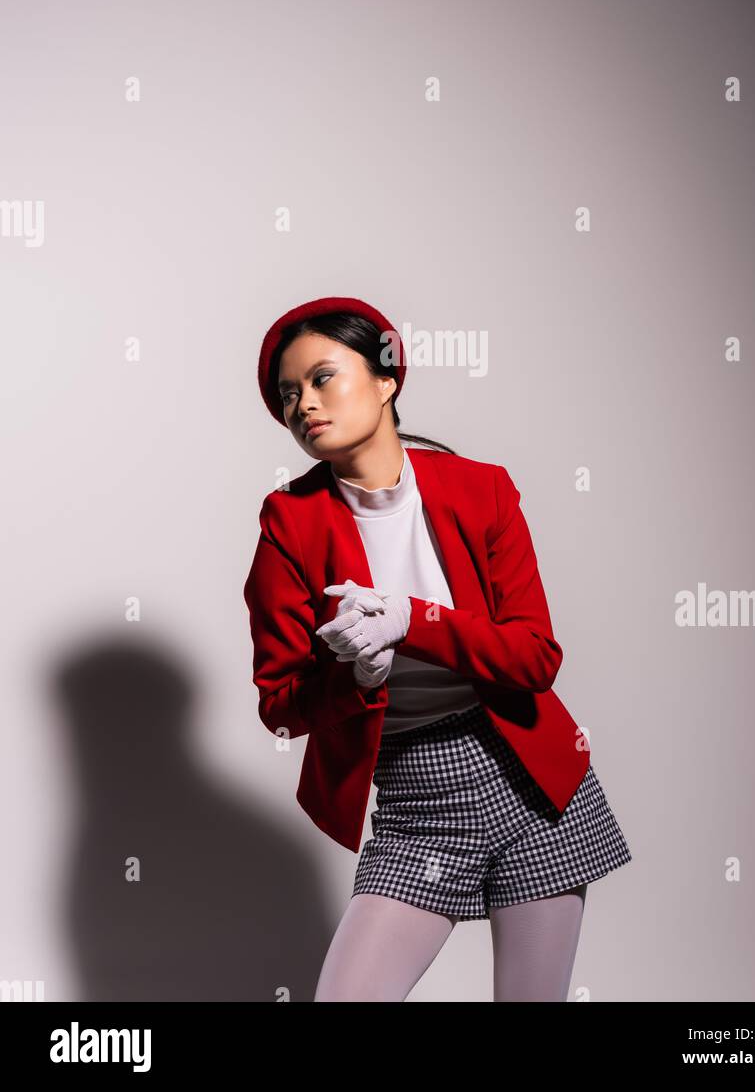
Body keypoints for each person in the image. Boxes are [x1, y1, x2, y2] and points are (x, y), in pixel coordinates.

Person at [244, 295, 632, 1001]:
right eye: (289, 393)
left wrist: (414, 620)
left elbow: (535, 658)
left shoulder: (481, 491)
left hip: (531, 779)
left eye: (323, 378)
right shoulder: (289, 523)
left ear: (387, 377)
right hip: (417, 794)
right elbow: (279, 706)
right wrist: (355, 677)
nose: (303, 404)